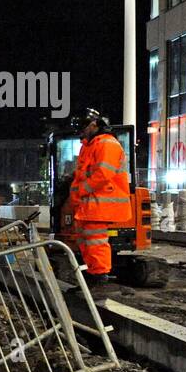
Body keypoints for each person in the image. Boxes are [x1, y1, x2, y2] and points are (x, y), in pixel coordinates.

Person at [68, 107, 131, 285]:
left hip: (99, 204)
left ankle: (99, 275)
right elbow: (81, 175)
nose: (81, 132)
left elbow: (103, 174)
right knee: (87, 240)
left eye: (83, 128)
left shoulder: (106, 144)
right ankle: (94, 272)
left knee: (95, 241)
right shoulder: (89, 146)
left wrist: (80, 191)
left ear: (94, 124)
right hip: (88, 205)